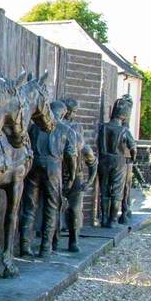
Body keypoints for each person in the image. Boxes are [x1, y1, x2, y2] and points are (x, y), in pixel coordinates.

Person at [19, 100, 77, 257]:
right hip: (53, 166)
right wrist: (71, 175)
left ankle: (25, 246)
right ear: (63, 114)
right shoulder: (66, 129)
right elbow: (71, 155)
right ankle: (45, 248)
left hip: (33, 166)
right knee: (51, 207)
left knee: (29, 207)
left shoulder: (34, 128)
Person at [53, 98, 97, 253]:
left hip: (74, 176)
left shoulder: (77, 134)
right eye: (71, 111)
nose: (72, 114)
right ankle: (53, 241)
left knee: (74, 209)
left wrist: (89, 181)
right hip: (56, 174)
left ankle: (73, 240)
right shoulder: (58, 129)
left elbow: (92, 161)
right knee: (53, 208)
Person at [98, 95, 137, 227]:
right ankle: (113, 220)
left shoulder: (103, 127)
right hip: (119, 161)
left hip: (104, 160)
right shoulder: (124, 130)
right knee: (117, 190)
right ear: (124, 116)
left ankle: (103, 218)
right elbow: (133, 148)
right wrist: (133, 158)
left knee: (104, 189)